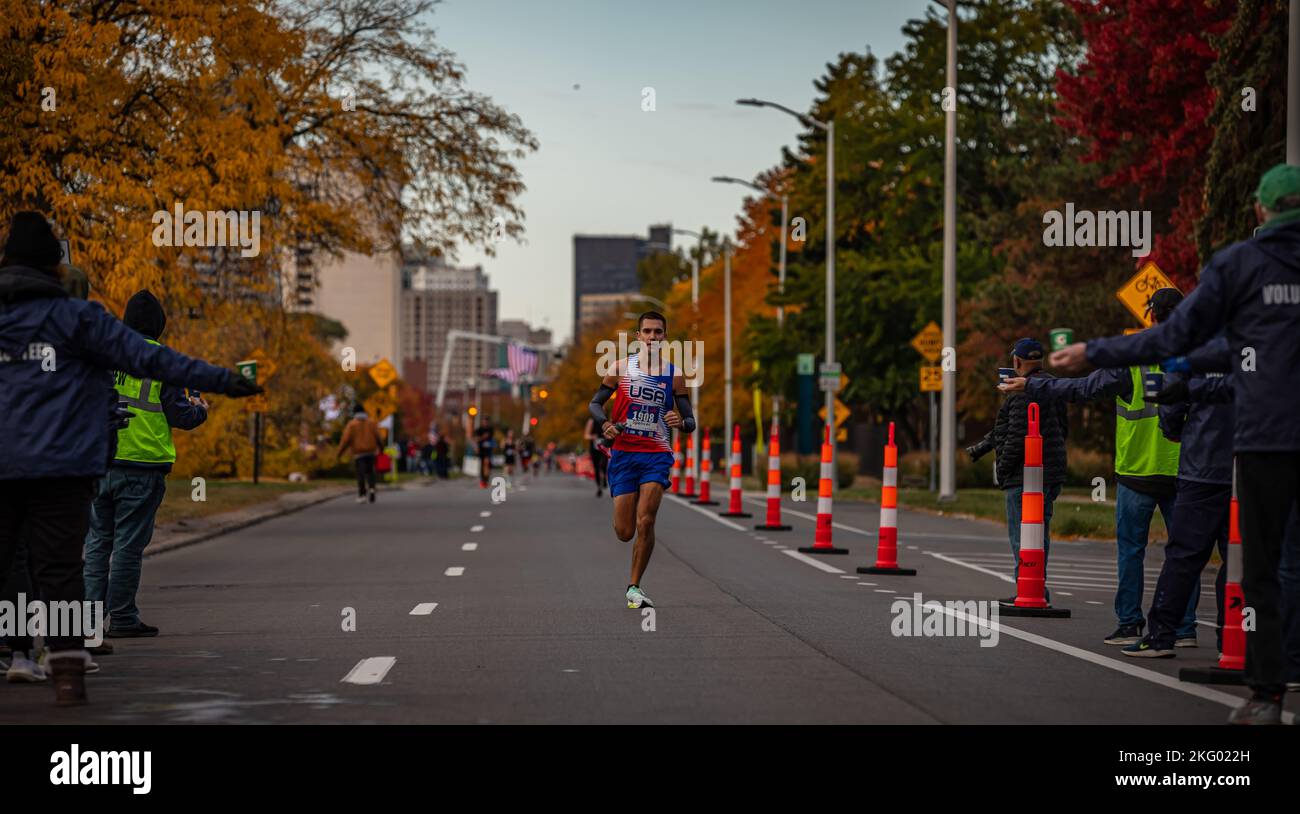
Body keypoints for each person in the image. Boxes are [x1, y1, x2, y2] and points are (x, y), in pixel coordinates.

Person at [1051, 163, 1300, 723]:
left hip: (1265, 441)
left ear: (1261, 211)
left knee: (1259, 565)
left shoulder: (1241, 265)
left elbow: (1180, 337)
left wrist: (1099, 351)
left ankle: (1267, 692)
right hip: (1256, 438)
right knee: (1292, 562)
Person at [0, 211, 261, 706]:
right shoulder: (80, 320)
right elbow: (156, 359)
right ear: (54, 267)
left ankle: (17, 651)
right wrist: (224, 380)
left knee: (14, 563)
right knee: (59, 570)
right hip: (64, 467)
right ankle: (69, 673)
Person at [1005, 292, 1198, 645]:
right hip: (1182, 471)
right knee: (1186, 553)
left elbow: (1082, 389)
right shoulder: (1197, 355)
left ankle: (1129, 622)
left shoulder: (1133, 361)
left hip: (1137, 471)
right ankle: (1184, 628)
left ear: (1151, 316)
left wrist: (1032, 385)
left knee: (1131, 552)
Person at [83, 290, 210, 640]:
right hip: (143, 465)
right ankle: (122, 616)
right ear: (158, 326)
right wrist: (200, 408)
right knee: (127, 545)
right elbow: (179, 414)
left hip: (99, 461)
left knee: (97, 542)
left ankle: (87, 621)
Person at [1118, 334, 1232, 657]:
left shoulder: (1197, 347)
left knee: (1184, 556)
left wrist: (1176, 430)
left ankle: (1162, 635)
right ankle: (1235, 638)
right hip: (1250, 465)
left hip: (1203, 466)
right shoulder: (1267, 339)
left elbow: (1171, 400)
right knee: (1241, 560)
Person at [588, 311, 695, 609]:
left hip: (656, 454)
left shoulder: (673, 375)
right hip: (623, 453)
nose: (652, 337)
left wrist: (681, 421)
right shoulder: (621, 368)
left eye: (658, 332)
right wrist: (604, 423)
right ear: (638, 337)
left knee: (646, 520)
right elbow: (595, 403)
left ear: (664, 337)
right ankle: (629, 503)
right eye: (647, 332)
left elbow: (690, 420)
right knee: (625, 532)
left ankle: (634, 587)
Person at [970, 338, 1068, 605]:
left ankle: (1028, 588)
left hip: (1022, 476)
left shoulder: (1019, 395)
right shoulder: (1053, 387)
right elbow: (1063, 428)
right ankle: (1037, 587)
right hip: (1050, 473)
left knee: (1021, 535)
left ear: (1016, 362)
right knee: (1039, 533)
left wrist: (1002, 470)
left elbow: (1014, 437)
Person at [337, 403, 383, 503]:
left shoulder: (352, 424)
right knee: (371, 472)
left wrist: (339, 453)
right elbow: (378, 437)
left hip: (359, 454)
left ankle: (362, 494)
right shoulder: (372, 423)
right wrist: (381, 448)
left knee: (361, 474)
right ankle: (372, 489)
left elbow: (345, 440)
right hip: (371, 452)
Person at [584, 416, 609, 497]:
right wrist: (592, 437)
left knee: (603, 464)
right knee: (596, 468)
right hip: (594, 447)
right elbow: (586, 435)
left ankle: (604, 478)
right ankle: (599, 487)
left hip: (604, 446)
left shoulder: (607, 419)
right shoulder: (592, 420)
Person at [475, 422, 494, 488]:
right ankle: (483, 480)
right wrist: (483, 437)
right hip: (481, 450)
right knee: (482, 465)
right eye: (485, 421)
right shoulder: (479, 430)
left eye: (487, 421)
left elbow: (492, 439)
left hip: (488, 450)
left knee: (487, 463)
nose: (486, 423)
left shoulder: (490, 429)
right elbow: (477, 439)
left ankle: (486, 479)